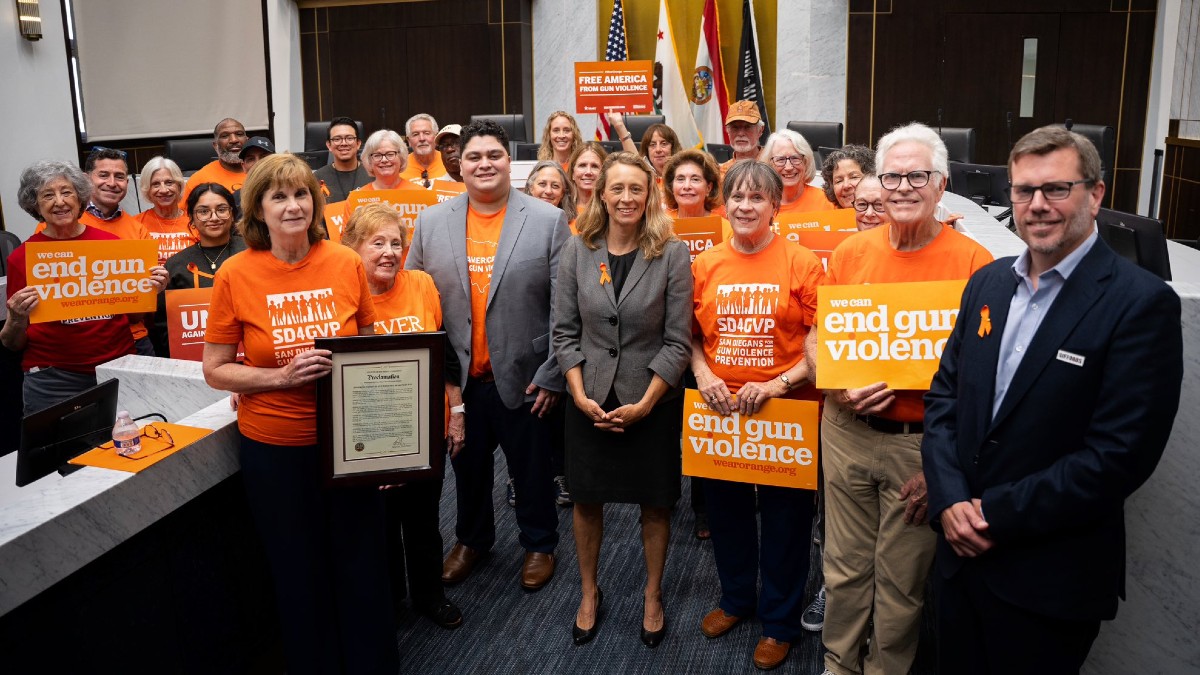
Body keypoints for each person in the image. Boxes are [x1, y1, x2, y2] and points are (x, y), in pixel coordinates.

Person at [922, 125, 1183, 674]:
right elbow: (946, 397)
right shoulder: (988, 283)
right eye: (1024, 191)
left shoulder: (1141, 305)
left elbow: (1118, 457)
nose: (1037, 205)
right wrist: (948, 499)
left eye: (1056, 189)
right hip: (956, 561)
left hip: (1047, 578)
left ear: (1096, 194)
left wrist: (991, 514)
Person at [202, 153, 397, 674]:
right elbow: (216, 370)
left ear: (315, 202)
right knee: (297, 570)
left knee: (361, 565)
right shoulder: (236, 274)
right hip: (275, 450)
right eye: (278, 196)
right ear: (258, 210)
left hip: (346, 447)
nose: (292, 205)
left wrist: (381, 448)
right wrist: (278, 378)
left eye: (301, 194)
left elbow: (369, 352)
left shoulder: (344, 262)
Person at [812, 122, 994, 675]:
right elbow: (821, 339)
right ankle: (837, 666)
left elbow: (982, 384)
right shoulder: (851, 253)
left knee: (901, 583)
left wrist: (945, 469)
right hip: (845, 434)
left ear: (941, 185)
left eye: (918, 175)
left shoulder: (976, 264)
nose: (904, 187)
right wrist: (838, 383)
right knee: (841, 570)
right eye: (892, 176)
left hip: (920, 449)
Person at [405, 119, 569, 592]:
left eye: (493, 155)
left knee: (532, 468)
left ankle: (540, 544)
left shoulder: (546, 219)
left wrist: (554, 374)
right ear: (460, 164)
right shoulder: (432, 222)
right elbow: (415, 298)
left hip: (526, 374)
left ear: (508, 162)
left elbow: (565, 306)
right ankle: (472, 540)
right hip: (460, 378)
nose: (483, 164)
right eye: (474, 156)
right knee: (467, 468)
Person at [690, 160, 825, 671]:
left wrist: (776, 383)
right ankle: (737, 599)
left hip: (785, 410)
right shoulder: (705, 264)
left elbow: (821, 340)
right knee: (726, 514)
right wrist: (703, 376)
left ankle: (780, 621)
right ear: (724, 206)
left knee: (787, 521)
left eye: (758, 198)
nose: (746, 207)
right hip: (719, 410)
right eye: (737, 198)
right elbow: (690, 336)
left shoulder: (803, 263)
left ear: (776, 206)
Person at [553, 152, 692, 648]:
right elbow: (564, 333)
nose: (627, 198)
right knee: (586, 499)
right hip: (586, 399)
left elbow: (677, 341)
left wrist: (647, 403)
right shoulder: (576, 250)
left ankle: (653, 594)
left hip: (649, 401)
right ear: (601, 194)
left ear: (650, 193)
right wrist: (578, 394)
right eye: (618, 189)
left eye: (637, 189)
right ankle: (589, 592)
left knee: (655, 503)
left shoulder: (672, 253)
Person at [340, 203, 466, 630]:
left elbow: (445, 351)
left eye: (396, 242)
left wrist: (457, 410)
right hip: (368, 430)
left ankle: (430, 594)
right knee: (380, 521)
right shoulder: (341, 293)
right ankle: (390, 598)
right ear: (353, 248)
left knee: (424, 520)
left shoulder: (421, 283)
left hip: (424, 425)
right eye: (377, 243)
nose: (389, 252)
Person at [4, 160, 166, 415]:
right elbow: (12, 343)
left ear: (80, 198)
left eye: (66, 192)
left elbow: (133, 317)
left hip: (118, 367)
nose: (59, 201)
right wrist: (15, 317)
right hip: (54, 379)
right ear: (35, 205)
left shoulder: (112, 246)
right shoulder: (21, 258)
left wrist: (148, 292)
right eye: (48, 195)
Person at [152, 183, 247, 357]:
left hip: (250, 360)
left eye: (222, 209)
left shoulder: (254, 254)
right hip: (193, 365)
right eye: (203, 211)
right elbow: (163, 327)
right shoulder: (176, 265)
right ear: (192, 218)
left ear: (232, 214)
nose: (214, 217)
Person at [78, 148, 157, 355]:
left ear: (127, 184)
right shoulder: (60, 225)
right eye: (103, 175)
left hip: (132, 337)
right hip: (80, 338)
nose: (112, 183)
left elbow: (141, 307)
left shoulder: (139, 231)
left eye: (119, 177)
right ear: (86, 179)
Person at [760, 129, 835, 216]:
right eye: (780, 159)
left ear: (806, 161)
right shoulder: (758, 204)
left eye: (795, 158)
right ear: (769, 164)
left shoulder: (828, 200)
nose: (789, 167)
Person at [662, 149, 732, 241]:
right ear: (671, 187)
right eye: (680, 179)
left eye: (695, 179)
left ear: (708, 188)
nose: (687, 186)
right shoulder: (660, 226)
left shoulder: (725, 229)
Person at [136, 156, 194, 263]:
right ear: (147, 190)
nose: (163, 190)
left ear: (179, 186)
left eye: (169, 182)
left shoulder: (196, 222)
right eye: (155, 184)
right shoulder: (135, 224)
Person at [180, 118, 247, 206]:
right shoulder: (199, 179)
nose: (234, 140)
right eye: (225, 136)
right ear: (215, 146)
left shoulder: (263, 171)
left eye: (239, 134)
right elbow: (183, 215)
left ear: (247, 140)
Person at [314, 116, 370, 204]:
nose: (344, 143)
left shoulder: (373, 174)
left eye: (349, 138)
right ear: (329, 145)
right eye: (337, 139)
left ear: (358, 143)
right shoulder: (317, 178)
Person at [525, 160, 577, 231]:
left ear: (562, 193)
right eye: (542, 184)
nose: (548, 191)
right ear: (531, 188)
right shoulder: (517, 223)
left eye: (555, 186)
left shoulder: (573, 228)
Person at [720, 100, 766, 179]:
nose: (741, 134)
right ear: (727, 131)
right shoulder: (720, 173)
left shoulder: (776, 166)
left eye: (747, 127)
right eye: (735, 127)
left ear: (760, 130)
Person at [820, 145, 875, 209]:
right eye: (839, 181)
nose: (846, 186)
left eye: (854, 177)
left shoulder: (887, 216)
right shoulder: (824, 217)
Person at [400, 113, 446, 186]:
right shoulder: (400, 165)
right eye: (415, 134)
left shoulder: (448, 162)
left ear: (436, 136)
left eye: (427, 133)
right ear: (409, 141)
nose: (422, 139)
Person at [569, 141, 608, 216]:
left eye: (594, 166)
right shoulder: (561, 208)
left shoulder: (610, 209)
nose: (588, 172)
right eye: (582, 165)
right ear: (573, 173)